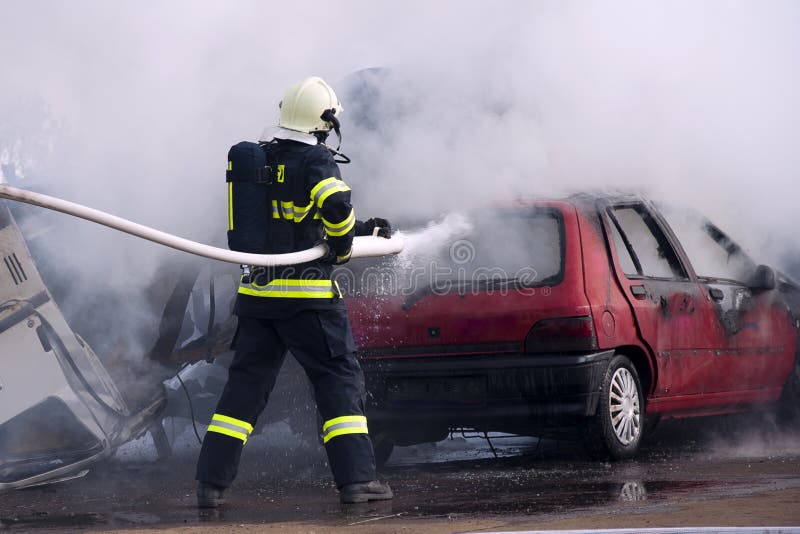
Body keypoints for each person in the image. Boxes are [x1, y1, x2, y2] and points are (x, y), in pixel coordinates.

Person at [195, 76, 393, 507]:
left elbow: (290, 221)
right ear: (324, 122)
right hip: (308, 302)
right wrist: (343, 245)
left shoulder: (260, 160)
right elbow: (334, 207)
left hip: (258, 300)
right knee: (338, 380)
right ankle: (358, 481)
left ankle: (210, 485)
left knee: (243, 391)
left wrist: (363, 232)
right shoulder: (316, 160)